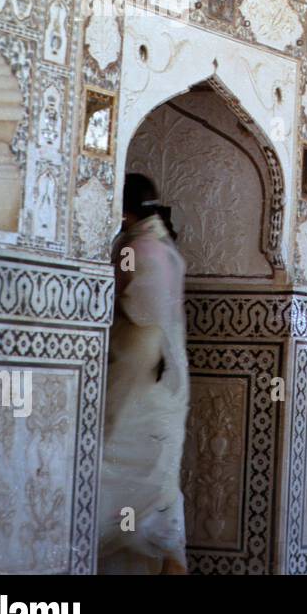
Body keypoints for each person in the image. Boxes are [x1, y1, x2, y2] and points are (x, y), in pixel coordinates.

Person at [97, 173, 190, 574]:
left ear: (123, 208)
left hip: (137, 368)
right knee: (157, 481)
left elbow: (127, 304)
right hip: (162, 381)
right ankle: (166, 557)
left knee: (115, 466)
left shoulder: (137, 248)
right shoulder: (164, 248)